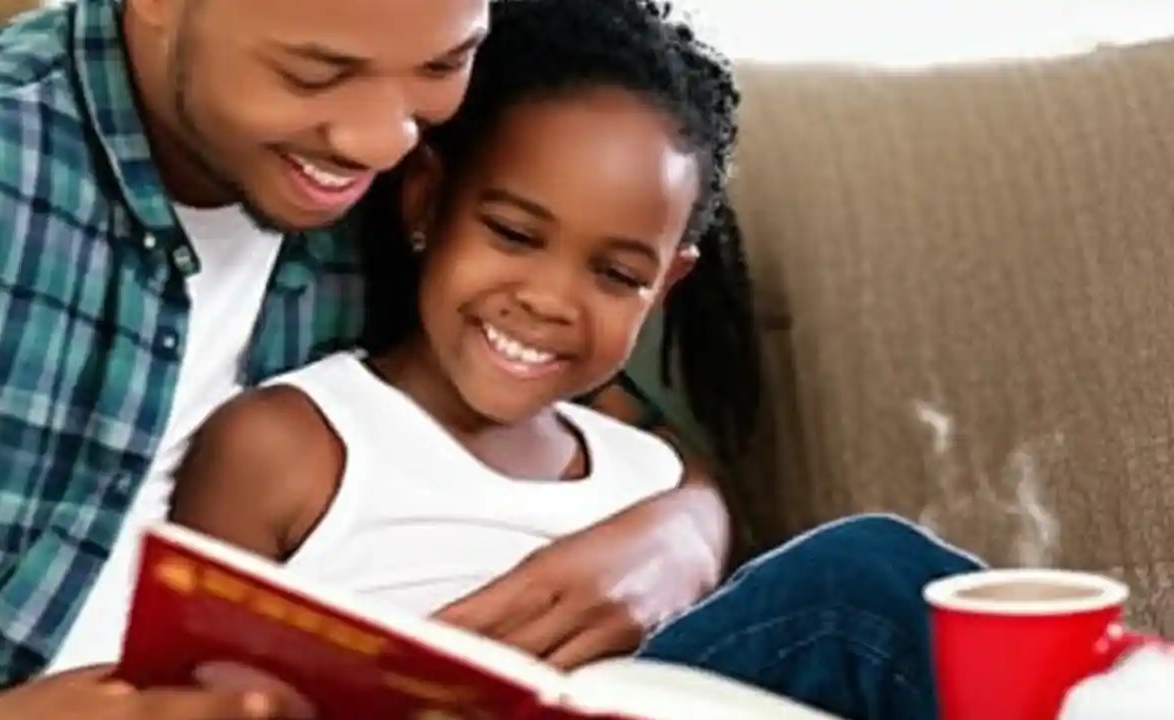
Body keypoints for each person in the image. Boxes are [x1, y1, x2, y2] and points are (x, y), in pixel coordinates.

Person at [0, 0, 732, 716]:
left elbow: (603, 404)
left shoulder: (400, 184)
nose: (379, 139)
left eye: (443, 63)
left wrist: (682, 536)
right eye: (315, 72)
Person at [161, 3, 982, 719]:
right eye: (514, 235)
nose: (551, 300)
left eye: (617, 274)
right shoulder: (290, 444)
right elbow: (184, 689)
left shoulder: (649, 479)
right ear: (425, 202)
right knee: (862, 584)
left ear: (665, 286)